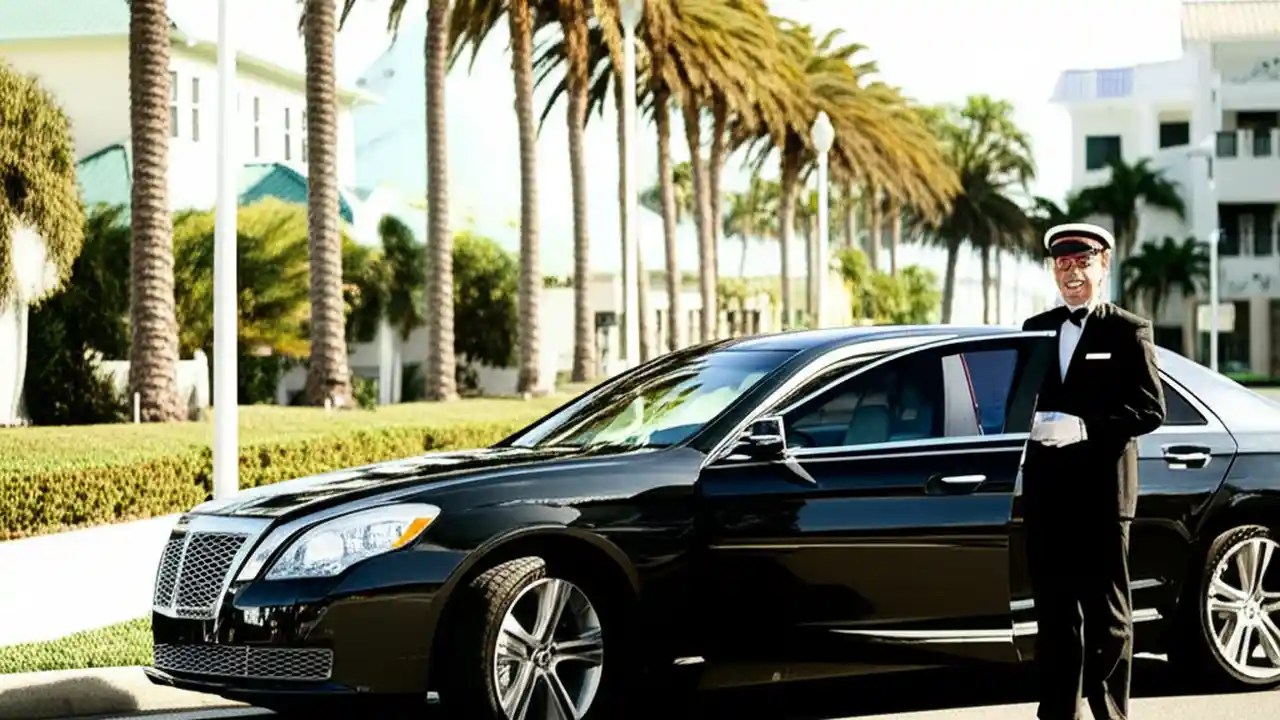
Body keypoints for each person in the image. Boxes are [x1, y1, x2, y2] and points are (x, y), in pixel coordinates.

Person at [1019, 223, 1167, 720]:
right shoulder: (1035, 328)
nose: (1072, 273)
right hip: (1047, 495)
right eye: (1063, 264)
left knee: (1107, 617)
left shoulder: (1128, 330)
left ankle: (1109, 714)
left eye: (1083, 262)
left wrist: (1084, 428)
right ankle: (1058, 713)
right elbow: (1016, 406)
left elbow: (1151, 410)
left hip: (1102, 495)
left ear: (1103, 266)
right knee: (1054, 615)